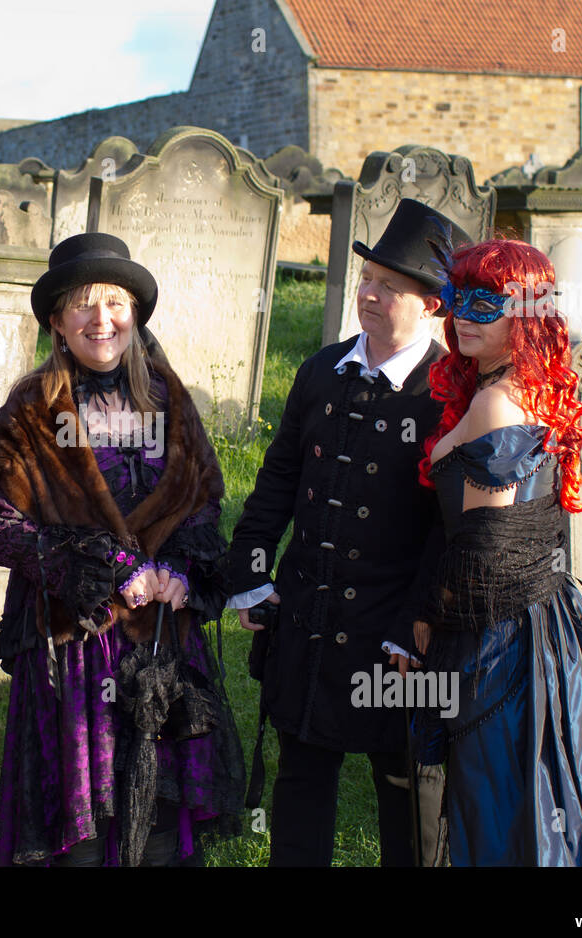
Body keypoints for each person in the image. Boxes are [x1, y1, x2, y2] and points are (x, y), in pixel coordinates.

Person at [0, 233, 245, 866]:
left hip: (161, 647)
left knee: (156, 828)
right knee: (85, 838)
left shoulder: (170, 402)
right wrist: (114, 568)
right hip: (76, 651)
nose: (102, 320)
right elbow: (3, 529)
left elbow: (204, 505)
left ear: (135, 314)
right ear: (57, 323)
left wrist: (178, 573)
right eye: (84, 305)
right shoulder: (31, 411)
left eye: (116, 303)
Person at [413, 238, 582, 866]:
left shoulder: (494, 401)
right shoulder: (539, 388)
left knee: (507, 809)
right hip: (551, 623)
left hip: (500, 637)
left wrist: (427, 621)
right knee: (565, 792)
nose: (464, 317)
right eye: (457, 299)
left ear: (527, 312)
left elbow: (486, 559)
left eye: (487, 303)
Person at [229, 198, 466, 866]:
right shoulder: (320, 371)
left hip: (401, 630)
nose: (368, 293)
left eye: (390, 287)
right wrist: (250, 570)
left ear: (432, 307)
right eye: (367, 279)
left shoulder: (450, 397)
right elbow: (277, 478)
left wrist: (420, 621)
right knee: (301, 773)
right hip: (311, 613)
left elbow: (454, 532)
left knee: (408, 789)